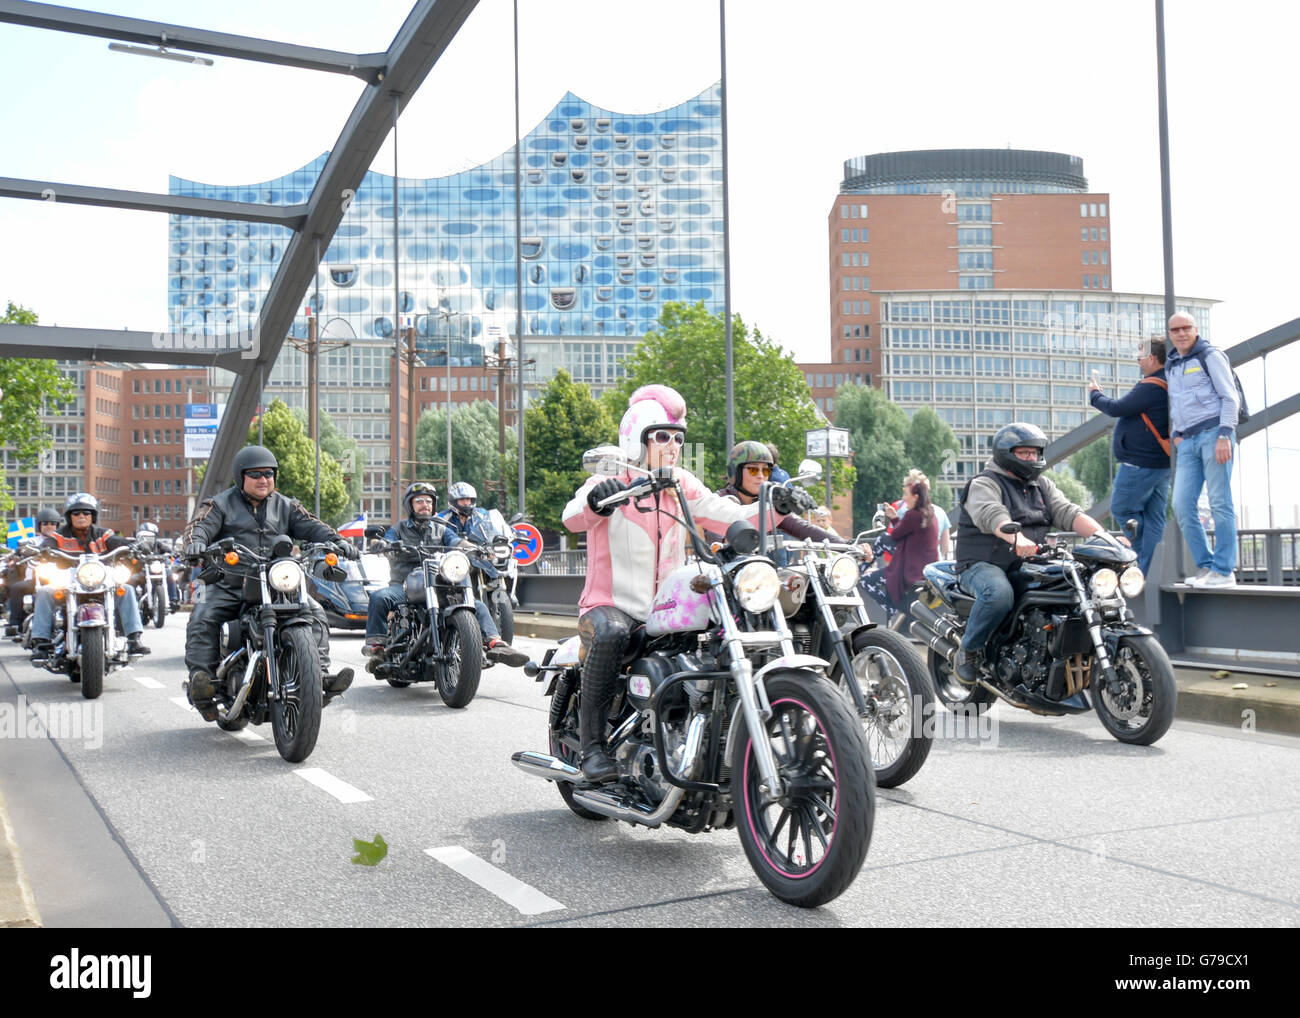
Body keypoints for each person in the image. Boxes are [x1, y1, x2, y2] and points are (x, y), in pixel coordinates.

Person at [565, 385, 798, 782]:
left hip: (665, 608)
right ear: (636, 439)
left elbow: (728, 513)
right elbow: (572, 516)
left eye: (677, 438)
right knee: (610, 633)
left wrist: (775, 506)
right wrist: (596, 500)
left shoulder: (680, 484)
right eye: (661, 437)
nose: (672, 446)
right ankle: (592, 748)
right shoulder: (610, 479)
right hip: (610, 604)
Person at [181, 446, 355, 719]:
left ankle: (318, 676)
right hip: (233, 581)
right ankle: (202, 682)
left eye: (269, 474)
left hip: (278, 581)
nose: (264, 479)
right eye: (256, 474)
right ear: (241, 477)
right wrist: (196, 544)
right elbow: (199, 526)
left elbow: (312, 525)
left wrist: (337, 540)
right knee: (204, 614)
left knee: (316, 611)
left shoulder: (286, 505)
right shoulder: (219, 504)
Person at [951, 423, 1122, 685]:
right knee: (999, 594)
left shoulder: (1041, 485)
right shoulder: (985, 483)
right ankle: (968, 650)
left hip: (1030, 561)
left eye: (1034, 453)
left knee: (1078, 585)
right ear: (1006, 453)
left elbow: (1068, 512)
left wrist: (1105, 538)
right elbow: (991, 514)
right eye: (1024, 453)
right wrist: (1017, 538)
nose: (1031, 458)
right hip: (983, 562)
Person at [363, 481, 527, 667]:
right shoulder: (399, 528)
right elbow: (387, 540)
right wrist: (381, 545)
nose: (425, 505)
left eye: (428, 501)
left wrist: (479, 549)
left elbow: (457, 542)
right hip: (405, 585)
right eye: (419, 501)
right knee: (379, 597)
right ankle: (377, 649)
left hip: (437, 585)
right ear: (411, 505)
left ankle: (495, 643)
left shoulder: (441, 528)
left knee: (476, 605)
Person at [1166, 312, 1240, 587]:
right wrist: (1176, 435)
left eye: (1186, 328)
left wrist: (1224, 435)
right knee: (1181, 505)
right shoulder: (1172, 364)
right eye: (1176, 329)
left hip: (1214, 434)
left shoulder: (1210, 355)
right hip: (1187, 441)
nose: (1182, 333)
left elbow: (1229, 397)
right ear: (1170, 333)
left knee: (1220, 502)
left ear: (1195, 329)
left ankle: (1223, 570)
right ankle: (1208, 568)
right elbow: (1175, 403)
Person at [31, 494, 151, 661]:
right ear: (69, 516)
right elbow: (48, 544)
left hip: (101, 580)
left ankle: (134, 639)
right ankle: (41, 642)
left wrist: (132, 546)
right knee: (44, 591)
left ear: (93, 516)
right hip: (69, 582)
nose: (81, 516)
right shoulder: (59, 536)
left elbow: (116, 540)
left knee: (127, 589)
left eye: (86, 513)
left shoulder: (103, 534)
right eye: (76, 513)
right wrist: (41, 549)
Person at [1088, 336, 1171, 575]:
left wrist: (1095, 395)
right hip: (1161, 463)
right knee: (1154, 516)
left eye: (1140, 357)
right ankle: (1152, 569)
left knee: (1122, 509)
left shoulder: (1152, 385)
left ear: (1152, 358)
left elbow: (1116, 408)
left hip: (1139, 463)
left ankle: (1143, 562)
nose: (1138, 361)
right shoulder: (1169, 382)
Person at [715, 441, 839, 545]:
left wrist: (848, 544)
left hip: (761, 569)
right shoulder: (720, 501)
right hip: (723, 571)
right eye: (753, 470)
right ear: (736, 472)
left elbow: (803, 528)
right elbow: (716, 539)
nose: (761, 476)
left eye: (765, 470)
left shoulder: (765, 503)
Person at [860, 478, 939, 626]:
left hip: (910, 570)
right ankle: (860, 568)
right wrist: (895, 518)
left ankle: (892, 610)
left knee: (865, 581)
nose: (903, 498)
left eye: (906, 494)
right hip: (920, 565)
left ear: (915, 497)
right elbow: (902, 535)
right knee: (883, 538)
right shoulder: (929, 513)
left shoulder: (913, 515)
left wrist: (895, 519)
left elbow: (896, 535)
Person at [5, 508, 60, 636]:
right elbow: (22, 549)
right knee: (17, 588)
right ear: (39, 526)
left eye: (52, 524)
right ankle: (15, 624)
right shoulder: (33, 541)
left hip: (58, 578)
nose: (49, 526)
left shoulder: (62, 541)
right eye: (45, 524)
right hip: (35, 579)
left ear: (57, 525)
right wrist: (19, 552)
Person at [888, 469, 953, 558]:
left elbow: (894, 539)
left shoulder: (904, 512)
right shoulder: (940, 512)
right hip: (934, 564)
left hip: (910, 566)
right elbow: (945, 545)